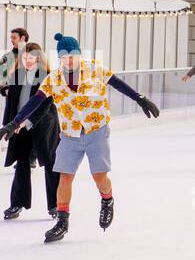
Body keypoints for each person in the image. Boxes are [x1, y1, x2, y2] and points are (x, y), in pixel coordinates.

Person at [0, 33, 160, 243]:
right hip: (70, 134)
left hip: (96, 130)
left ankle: (107, 199)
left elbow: (118, 84)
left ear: (78, 53)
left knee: (99, 177)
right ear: (60, 58)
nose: (69, 60)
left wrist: (140, 98)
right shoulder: (54, 78)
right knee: (65, 177)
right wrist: (15, 122)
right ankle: (62, 221)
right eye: (64, 57)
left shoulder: (94, 69)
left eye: (72, 55)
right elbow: (35, 102)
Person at [2, 41, 59, 221]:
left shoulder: (47, 77)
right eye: (25, 57)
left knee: (50, 164)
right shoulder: (16, 76)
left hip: (43, 126)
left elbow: (44, 106)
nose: (27, 61)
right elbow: (11, 104)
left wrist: (25, 123)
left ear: (39, 58)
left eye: (31, 57)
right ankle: (17, 203)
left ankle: (56, 205)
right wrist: (8, 125)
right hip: (19, 127)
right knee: (21, 163)